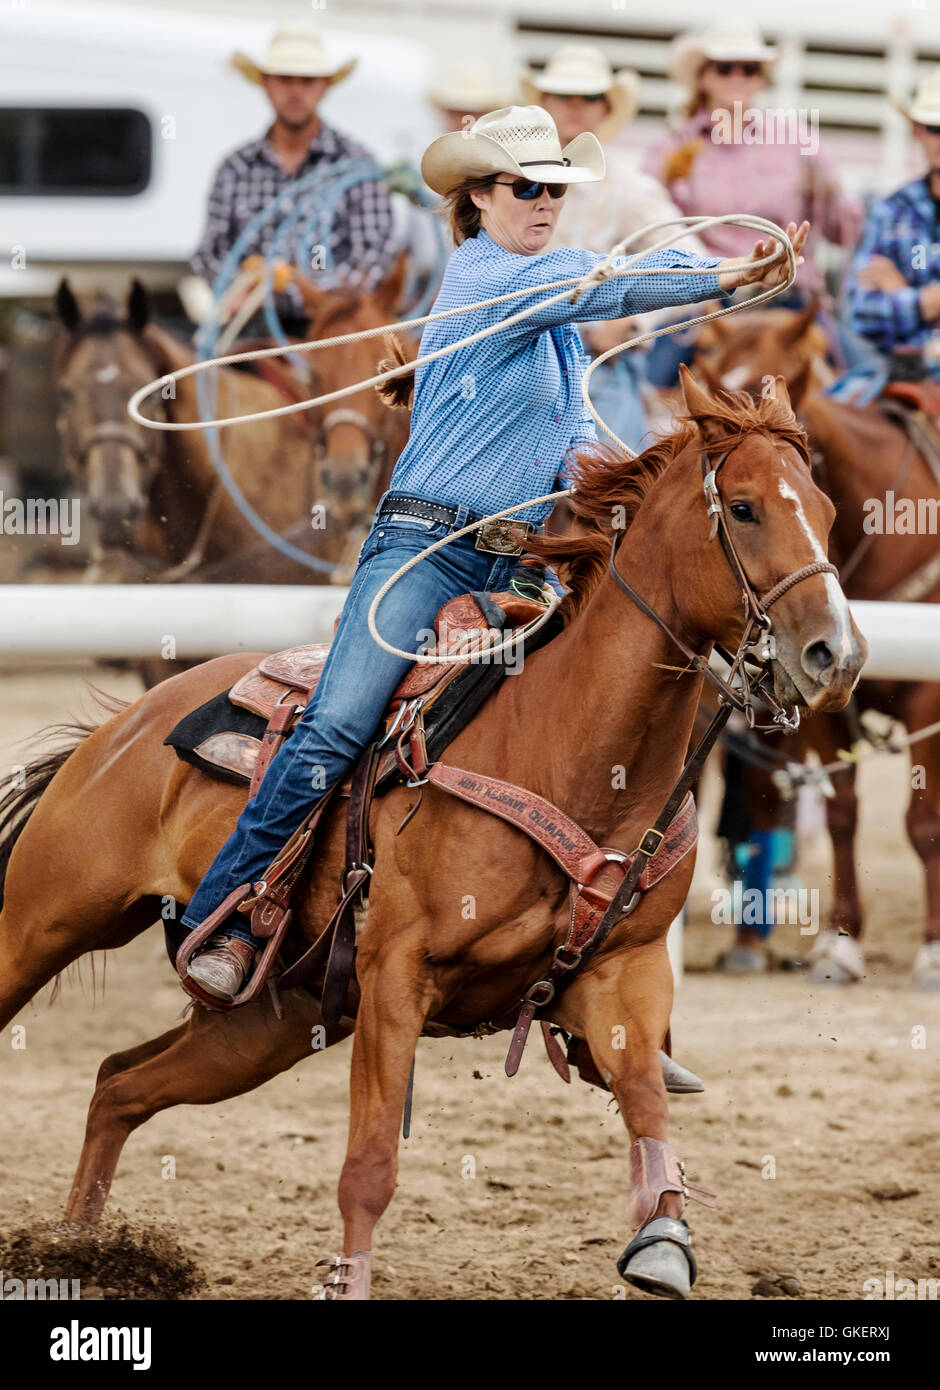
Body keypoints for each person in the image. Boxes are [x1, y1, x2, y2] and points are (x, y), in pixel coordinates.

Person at [182, 104, 809, 1002]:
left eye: (555, 187)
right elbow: (603, 283)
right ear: (479, 197)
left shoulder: (544, 321)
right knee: (337, 720)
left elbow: (584, 371)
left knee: (576, 733)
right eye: (528, 187)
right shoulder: (487, 277)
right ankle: (235, 909)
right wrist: (728, 273)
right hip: (425, 549)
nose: (546, 200)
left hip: (518, 562)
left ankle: (579, 970)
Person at [642, 22, 859, 385]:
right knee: (645, 384)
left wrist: (831, 192)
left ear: (762, 79)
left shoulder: (797, 140)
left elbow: (845, 228)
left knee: (868, 379)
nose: (738, 76)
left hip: (787, 294)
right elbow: (648, 233)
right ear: (704, 77)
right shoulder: (672, 148)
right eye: (725, 67)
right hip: (708, 299)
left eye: (750, 68)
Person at [523, 43, 708, 451]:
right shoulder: (506, 181)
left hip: (596, 365)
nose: (576, 106)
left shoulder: (630, 189)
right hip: (512, 353)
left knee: (616, 483)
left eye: (589, 96)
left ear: (604, 108)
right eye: (562, 95)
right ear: (543, 103)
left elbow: (690, 263)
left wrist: (630, 323)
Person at [188, 24, 396, 334]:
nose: (295, 91)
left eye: (307, 81)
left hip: (332, 329)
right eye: (285, 80)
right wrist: (243, 285)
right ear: (266, 85)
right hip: (250, 328)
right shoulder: (235, 168)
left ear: (324, 87)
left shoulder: (355, 166)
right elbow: (208, 253)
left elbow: (372, 259)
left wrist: (295, 288)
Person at [834, 69, 940, 404]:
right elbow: (859, 311)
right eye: (936, 128)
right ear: (917, 131)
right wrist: (926, 302)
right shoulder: (891, 209)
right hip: (900, 373)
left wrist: (901, 293)